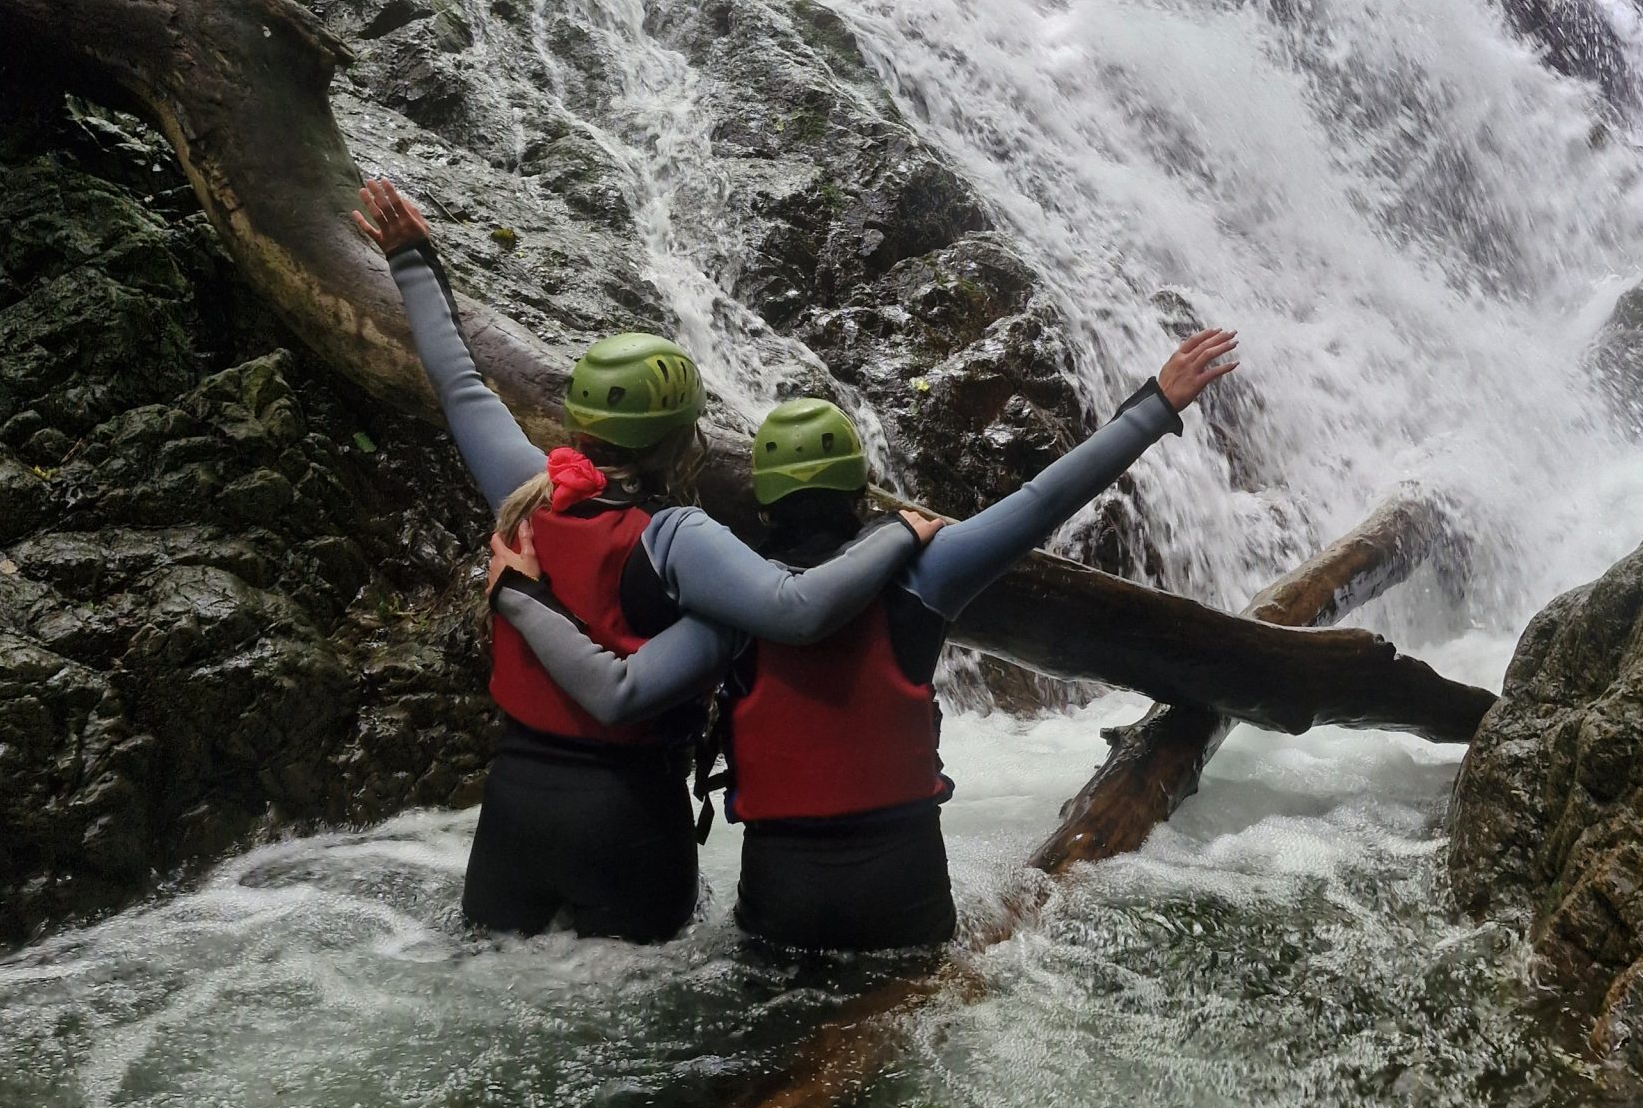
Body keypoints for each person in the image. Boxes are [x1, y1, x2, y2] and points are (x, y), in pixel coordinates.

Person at [487, 335, 1238, 952]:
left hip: (778, 904)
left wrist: (518, 593)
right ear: (860, 493)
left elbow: (619, 687)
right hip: (904, 894)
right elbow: (1041, 503)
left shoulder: (729, 596)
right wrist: (1153, 407)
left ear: (763, 495)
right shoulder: (928, 571)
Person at [352, 177, 936, 943]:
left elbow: (459, 384)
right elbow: (798, 610)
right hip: (627, 820)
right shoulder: (680, 539)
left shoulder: (526, 492)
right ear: (683, 440)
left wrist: (414, 261)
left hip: (514, 809)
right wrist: (898, 530)